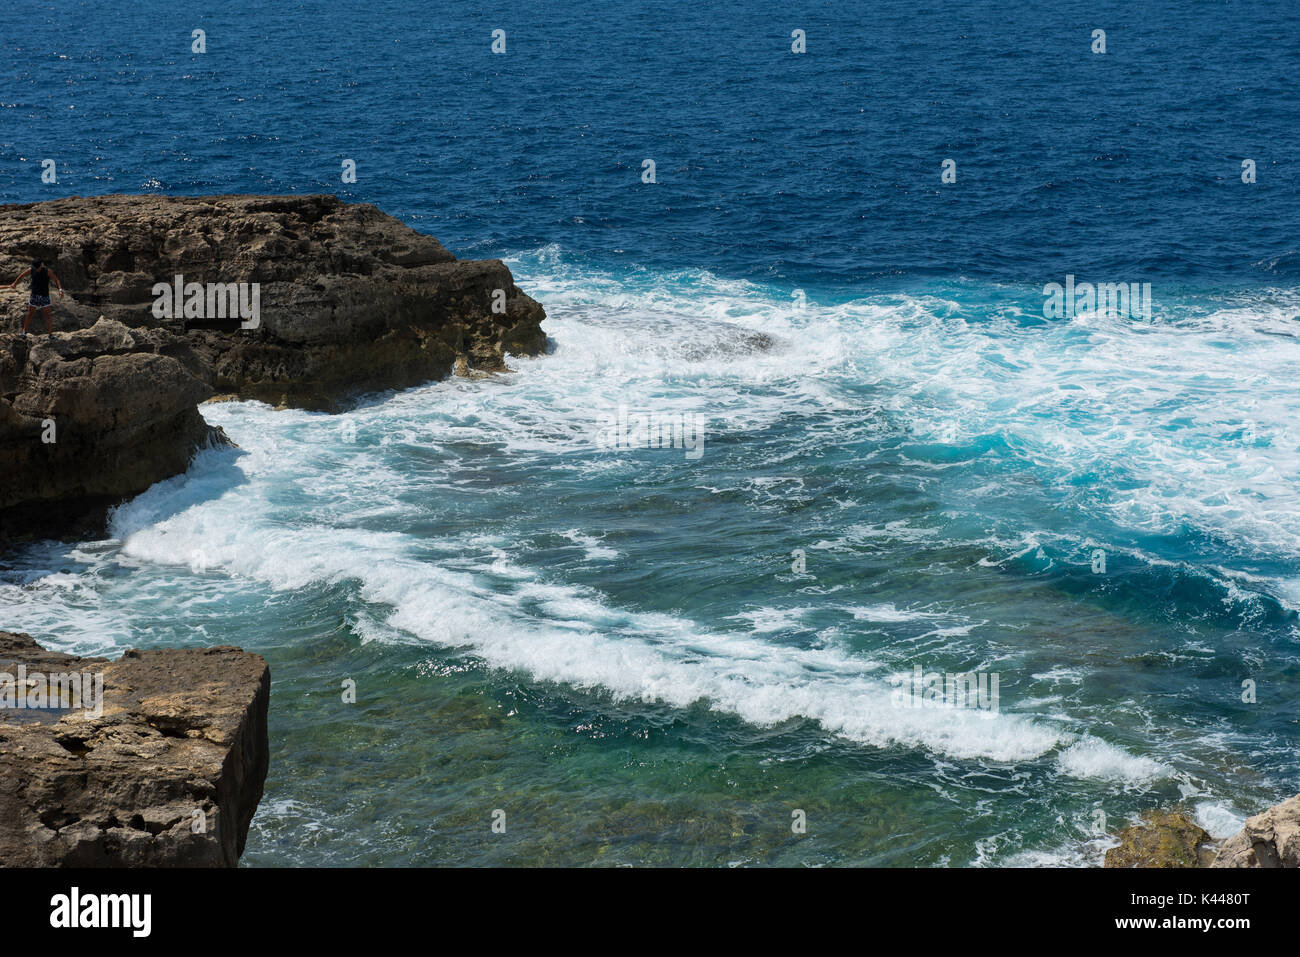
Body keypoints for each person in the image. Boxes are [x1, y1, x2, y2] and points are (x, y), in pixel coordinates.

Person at [6, 259, 63, 338]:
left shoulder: (47, 271)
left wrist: (60, 289)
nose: (37, 269)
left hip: (44, 296)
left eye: (38, 268)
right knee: (30, 314)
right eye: (36, 268)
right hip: (34, 296)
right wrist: (14, 283)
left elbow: (56, 280)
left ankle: (50, 334)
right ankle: (24, 331)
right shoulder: (31, 270)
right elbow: (22, 275)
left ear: (41, 265)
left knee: (48, 315)